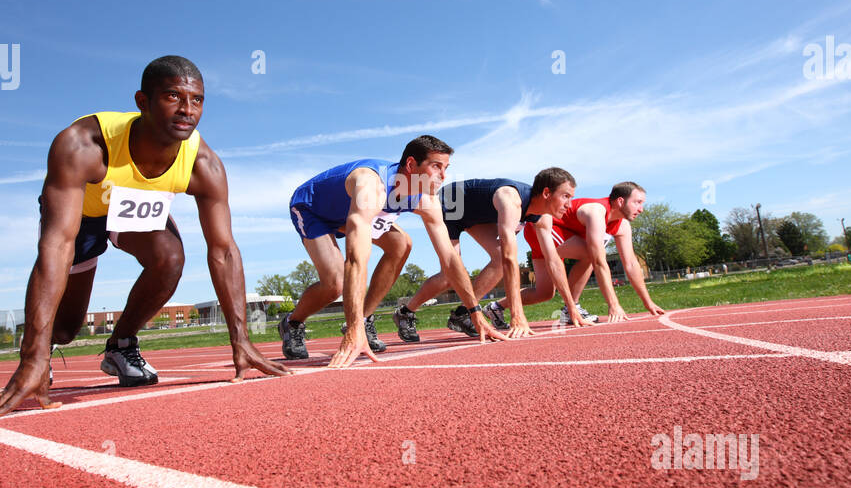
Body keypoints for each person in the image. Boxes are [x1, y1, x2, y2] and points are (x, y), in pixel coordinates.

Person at [0, 56, 290, 420]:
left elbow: (224, 250)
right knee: (67, 329)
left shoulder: (202, 163)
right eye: (173, 97)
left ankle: (121, 344)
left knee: (170, 258)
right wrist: (33, 355)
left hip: (132, 204)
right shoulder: (82, 144)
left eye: (196, 100)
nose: (187, 110)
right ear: (142, 102)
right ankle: (40, 354)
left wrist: (241, 339)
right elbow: (56, 245)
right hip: (83, 212)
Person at [279, 135, 509, 368]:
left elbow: (449, 258)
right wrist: (352, 331)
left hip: (352, 211)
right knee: (335, 283)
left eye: (446, 168)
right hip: (313, 209)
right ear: (411, 165)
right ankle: (293, 323)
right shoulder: (372, 186)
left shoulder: (426, 199)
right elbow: (356, 260)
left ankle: (364, 318)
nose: (444, 176)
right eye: (436, 167)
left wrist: (475, 313)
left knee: (401, 244)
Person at [394, 168, 577, 341]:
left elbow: (553, 260)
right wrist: (517, 314)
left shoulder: (543, 216)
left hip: (474, 216)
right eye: (565, 197)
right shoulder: (511, 199)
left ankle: (463, 313)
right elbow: (509, 258)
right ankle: (406, 312)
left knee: (497, 260)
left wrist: (572, 308)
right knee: (450, 275)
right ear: (546, 193)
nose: (568, 205)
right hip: (451, 204)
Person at [494, 180, 665, 327]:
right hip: (543, 228)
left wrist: (648, 302)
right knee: (591, 254)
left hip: (561, 237)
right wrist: (614, 305)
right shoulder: (596, 211)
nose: (641, 209)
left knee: (544, 293)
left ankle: (496, 308)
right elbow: (599, 261)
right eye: (638, 202)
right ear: (620, 201)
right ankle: (571, 307)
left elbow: (631, 264)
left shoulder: (622, 226)